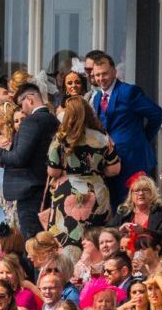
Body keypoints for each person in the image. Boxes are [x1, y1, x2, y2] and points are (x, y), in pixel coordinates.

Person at [0, 83, 58, 236]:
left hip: (29, 191)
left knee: (31, 242)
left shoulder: (31, 121)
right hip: (46, 188)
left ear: (29, 99)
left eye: (21, 104)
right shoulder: (53, 120)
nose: (21, 110)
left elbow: (19, 158)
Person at [86, 50, 162, 201]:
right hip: (110, 163)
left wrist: (143, 139)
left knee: (134, 207)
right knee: (114, 207)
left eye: (105, 73)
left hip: (133, 160)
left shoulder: (129, 92)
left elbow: (157, 114)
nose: (101, 78)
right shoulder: (96, 98)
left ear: (114, 72)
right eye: (97, 75)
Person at [46, 96, 118, 247]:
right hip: (98, 194)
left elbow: (53, 171)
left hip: (69, 193)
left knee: (68, 243)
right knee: (97, 244)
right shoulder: (102, 137)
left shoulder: (61, 138)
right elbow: (114, 168)